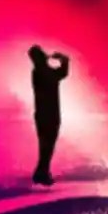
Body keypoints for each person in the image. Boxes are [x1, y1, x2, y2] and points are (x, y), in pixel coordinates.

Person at [28, 45, 68, 185]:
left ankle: (42, 172)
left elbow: (61, 74)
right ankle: (41, 173)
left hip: (44, 113)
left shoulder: (39, 71)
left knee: (46, 145)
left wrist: (64, 60)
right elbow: (61, 74)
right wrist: (64, 60)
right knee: (47, 144)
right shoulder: (41, 72)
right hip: (49, 113)